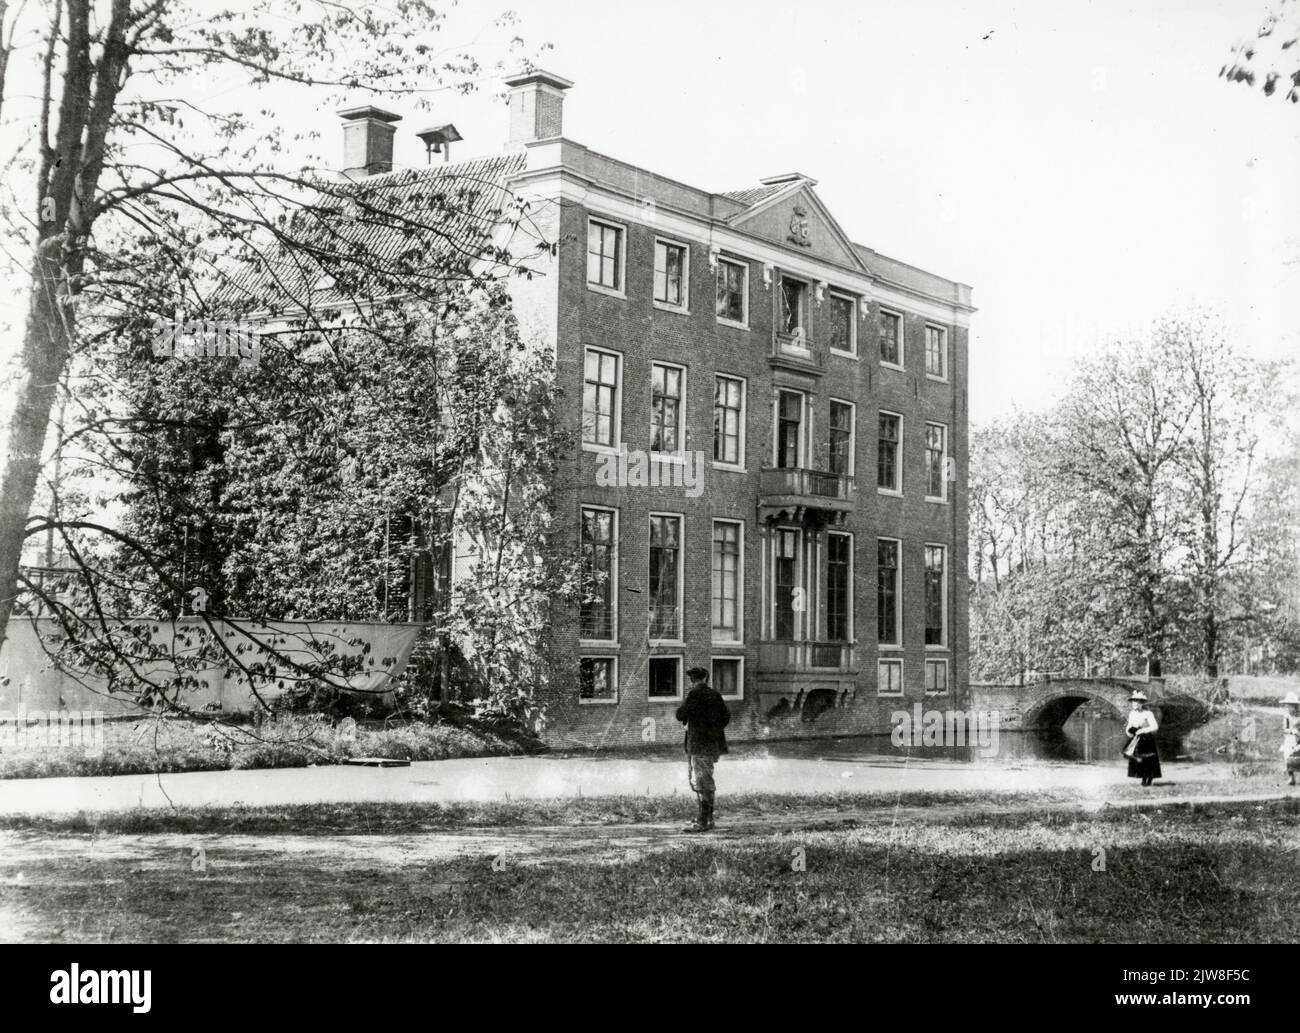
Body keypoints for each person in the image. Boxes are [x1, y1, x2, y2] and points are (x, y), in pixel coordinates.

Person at [675, 666, 730, 833]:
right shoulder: (715, 695)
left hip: (698, 744)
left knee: (701, 782)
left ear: (692, 680)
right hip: (713, 744)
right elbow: (726, 717)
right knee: (706, 779)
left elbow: (680, 715)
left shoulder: (694, 695)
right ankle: (708, 818)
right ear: (706, 678)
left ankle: (702, 821)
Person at [1124, 690, 1161, 787]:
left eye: (1137, 701)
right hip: (1136, 739)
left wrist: (1143, 730)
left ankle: (1148, 779)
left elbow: (1155, 727)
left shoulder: (1148, 713)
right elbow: (1129, 725)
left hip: (1146, 739)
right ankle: (1142, 778)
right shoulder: (1132, 713)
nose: (1134, 703)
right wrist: (1128, 732)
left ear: (1141, 703)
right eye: (1133, 701)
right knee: (1137, 758)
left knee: (1147, 759)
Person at [1280, 691, 1300, 787]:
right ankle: (1291, 777)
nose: (1288, 708)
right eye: (1287, 705)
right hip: (1291, 738)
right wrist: (1292, 731)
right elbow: (1284, 729)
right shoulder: (1287, 715)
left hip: (1299, 738)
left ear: (1295, 706)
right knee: (1287, 756)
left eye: (1290, 706)